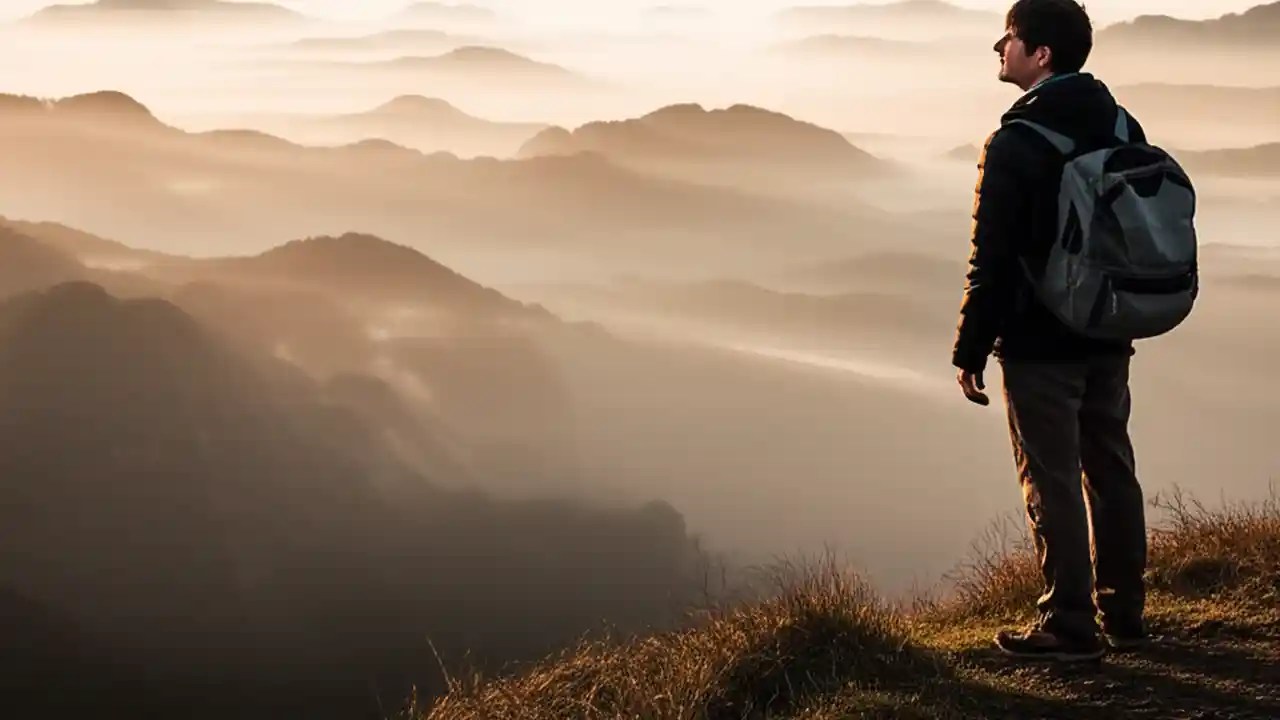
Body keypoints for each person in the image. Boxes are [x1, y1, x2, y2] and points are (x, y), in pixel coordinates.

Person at [953, 0, 1151, 661]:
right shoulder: (1122, 124)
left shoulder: (1015, 141)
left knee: (1053, 477)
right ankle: (1124, 612)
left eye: (1008, 39)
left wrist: (970, 347)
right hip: (1110, 326)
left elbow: (992, 255)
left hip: (1041, 341)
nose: (998, 48)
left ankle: (1069, 625)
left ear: (1040, 55)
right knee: (1111, 467)